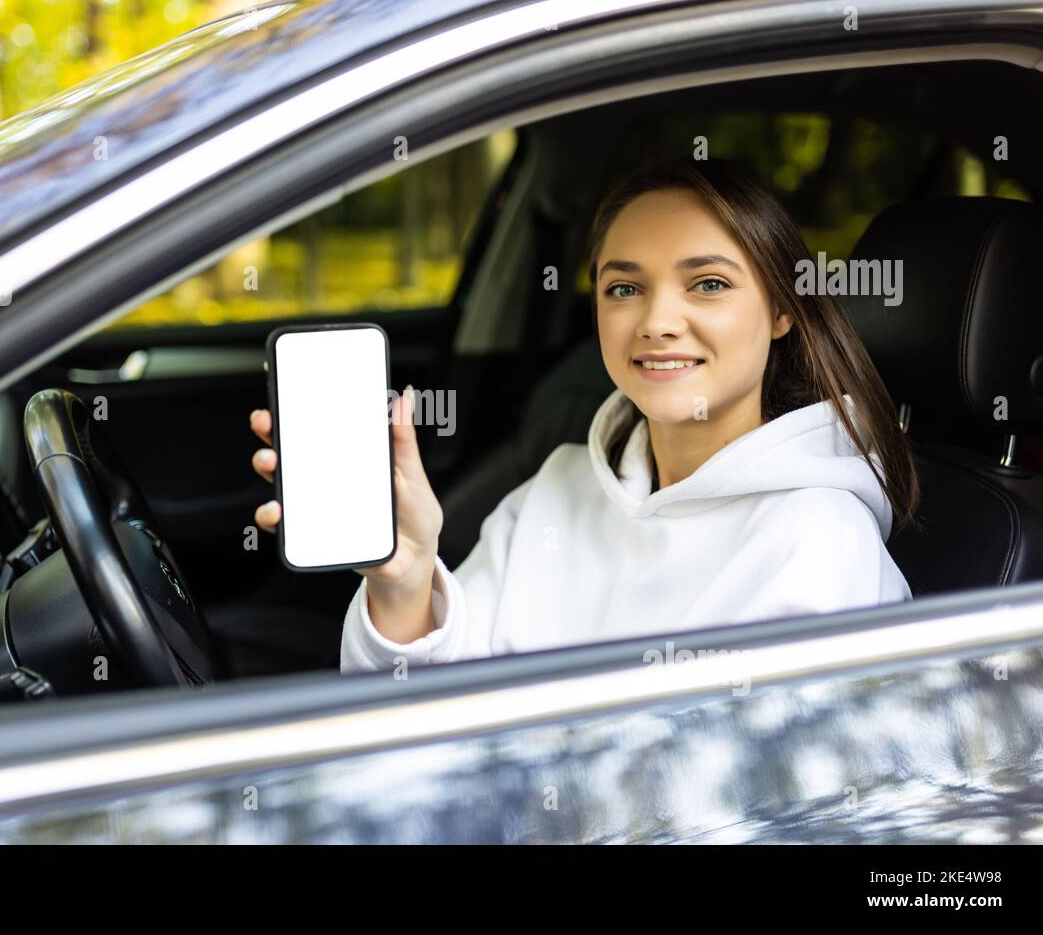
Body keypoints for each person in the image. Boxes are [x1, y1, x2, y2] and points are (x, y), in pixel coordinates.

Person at [248, 156, 918, 673]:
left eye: (708, 284)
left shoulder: (819, 542)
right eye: (624, 287)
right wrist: (405, 581)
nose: (657, 322)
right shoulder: (560, 486)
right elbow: (418, 722)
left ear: (782, 311)